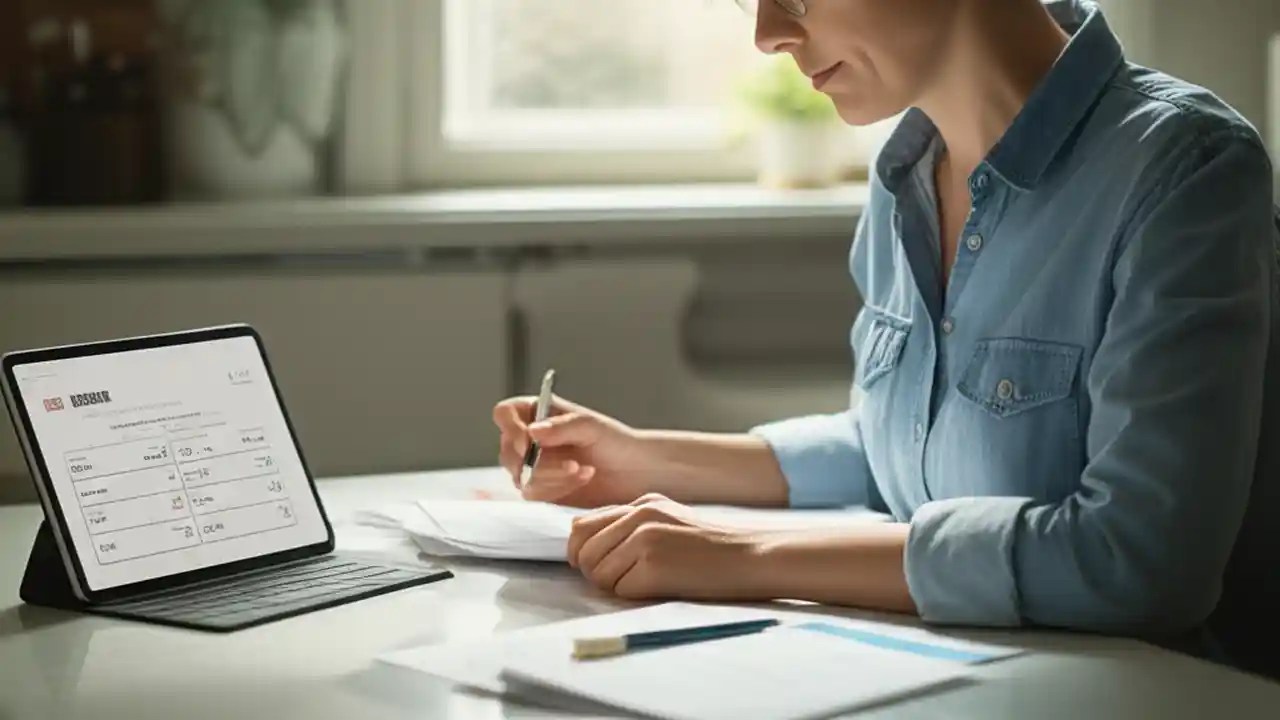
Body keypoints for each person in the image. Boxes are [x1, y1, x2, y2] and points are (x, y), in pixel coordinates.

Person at [493, 0, 1280, 675]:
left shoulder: (1185, 171)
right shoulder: (904, 171)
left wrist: (746, 558)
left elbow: (1138, 561)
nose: (767, 35)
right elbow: (898, 447)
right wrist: (644, 460)